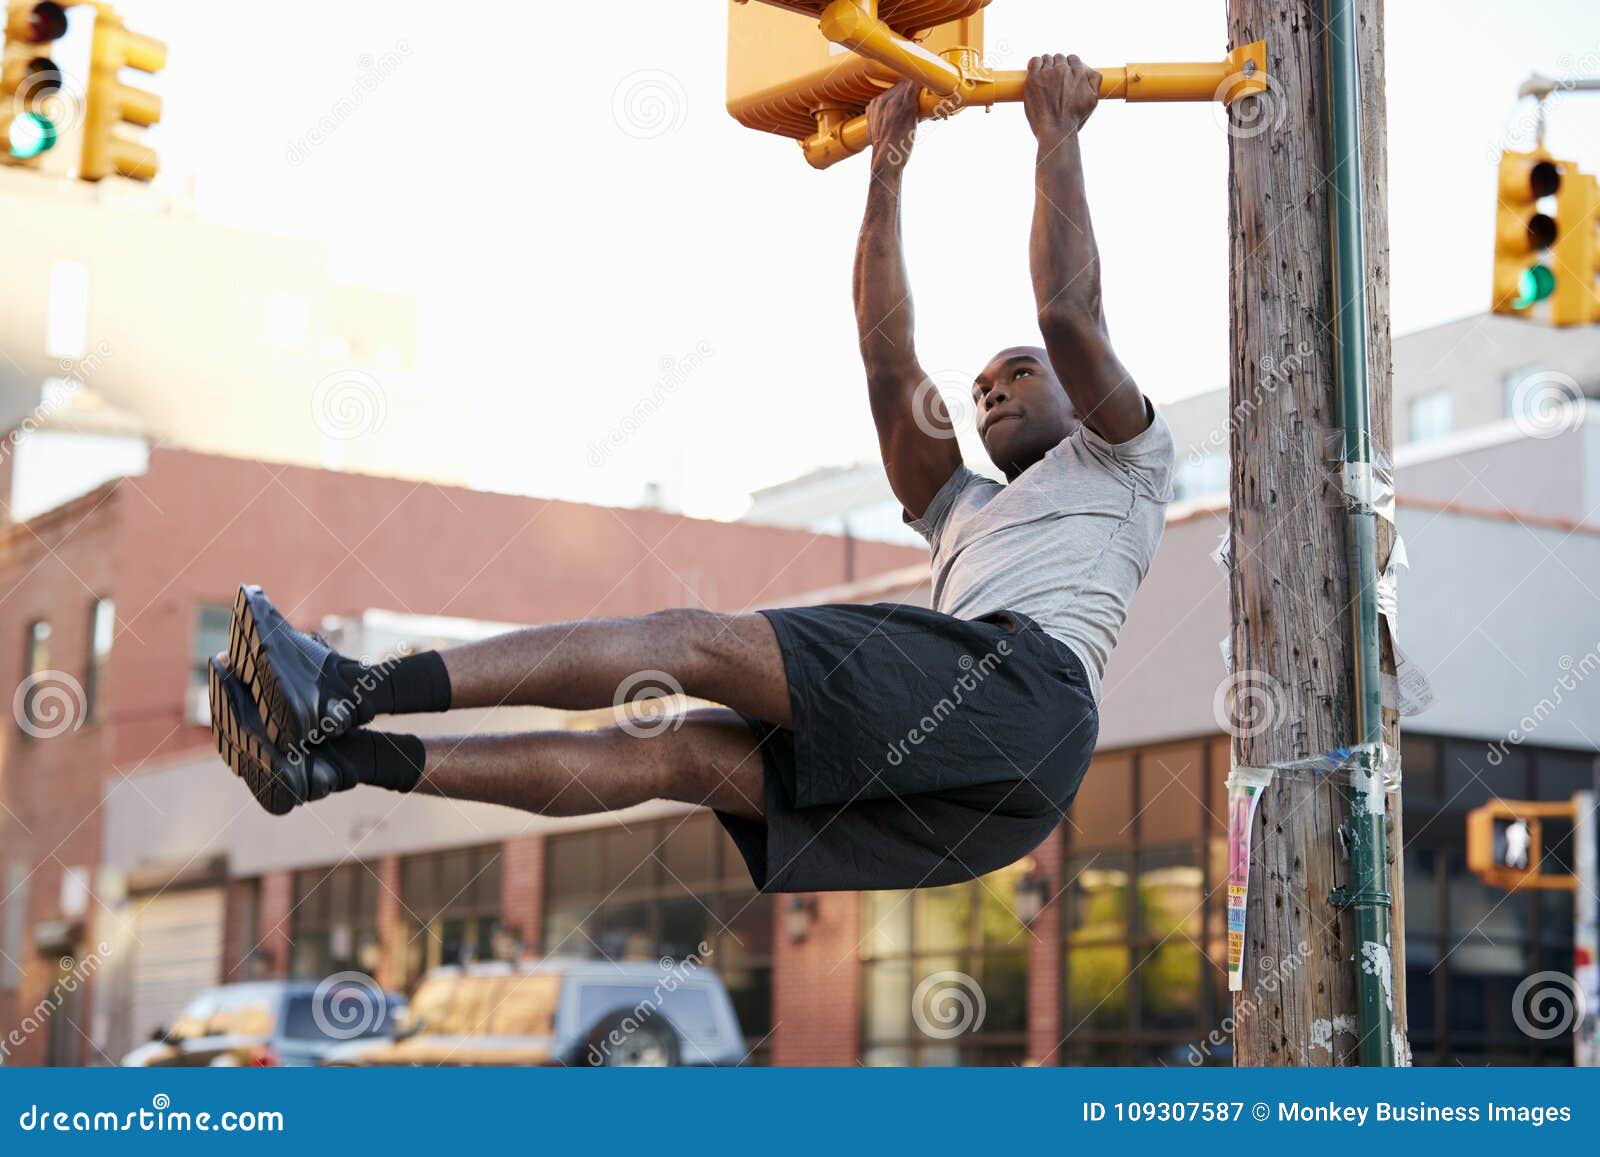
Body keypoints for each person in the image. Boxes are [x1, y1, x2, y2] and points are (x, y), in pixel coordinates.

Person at [208, 55, 1173, 894]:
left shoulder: (1126, 459)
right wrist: (888, 165)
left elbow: (1070, 315)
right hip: (994, 785)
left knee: (691, 640)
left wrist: (1057, 133)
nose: (993, 391)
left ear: (1074, 399)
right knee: (668, 752)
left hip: (1027, 701)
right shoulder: (959, 510)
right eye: (981, 386)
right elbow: (888, 355)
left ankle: (344, 685)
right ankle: (341, 761)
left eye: (1017, 375)